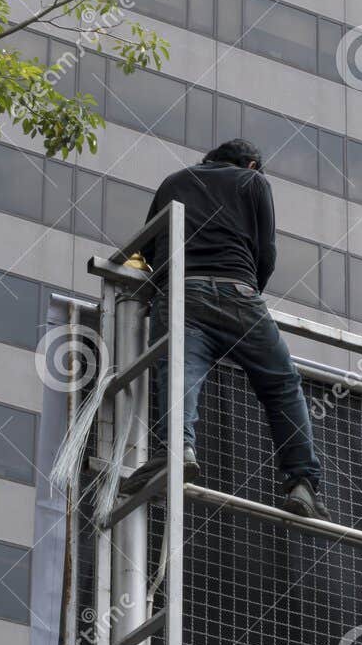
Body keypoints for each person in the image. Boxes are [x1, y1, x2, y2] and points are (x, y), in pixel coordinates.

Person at [124, 138, 329, 520]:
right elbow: (265, 252)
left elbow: (150, 251)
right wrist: (248, 287)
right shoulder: (253, 183)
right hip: (238, 290)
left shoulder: (173, 181)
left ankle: (177, 451)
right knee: (281, 384)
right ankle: (302, 482)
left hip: (181, 290)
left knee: (179, 372)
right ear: (251, 164)